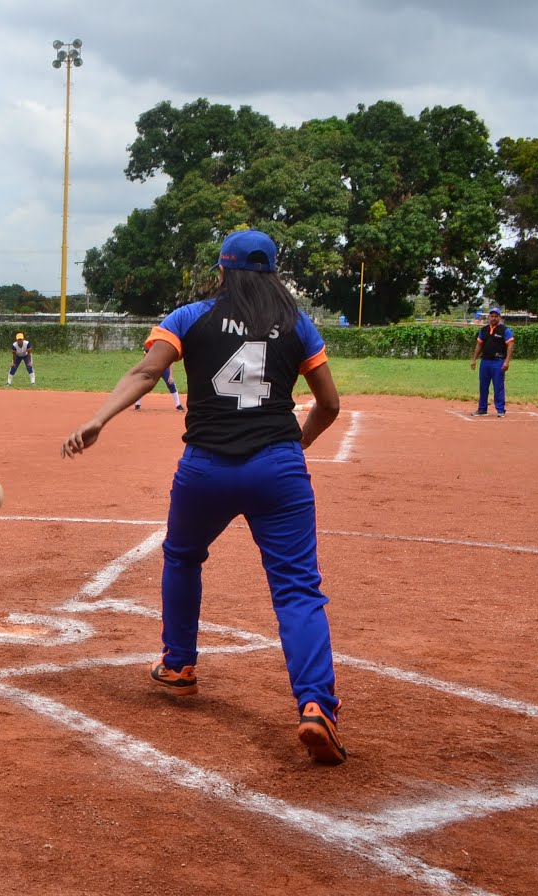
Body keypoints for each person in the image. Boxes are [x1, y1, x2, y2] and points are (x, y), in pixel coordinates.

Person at [61, 229, 346, 765]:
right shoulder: (298, 324)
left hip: (206, 468)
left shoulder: (190, 316)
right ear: (272, 271)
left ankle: (179, 665)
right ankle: (315, 707)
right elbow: (328, 404)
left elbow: (148, 371)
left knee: (184, 557)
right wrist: (292, 446)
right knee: (297, 589)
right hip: (278, 469)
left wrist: (98, 419)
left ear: (223, 268)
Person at [468, 308, 514, 417]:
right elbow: (479, 345)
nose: (493, 318)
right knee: (483, 386)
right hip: (485, 362)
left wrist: (507, 361)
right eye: (491, 316)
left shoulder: (505, 330)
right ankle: (482, 409)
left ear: (499, 317)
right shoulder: (483, 330)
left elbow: (510, 345)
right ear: (489, 317)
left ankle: (500, 410)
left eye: (496, 316)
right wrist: (474, 359)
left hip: (498, 362)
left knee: (498, 386)